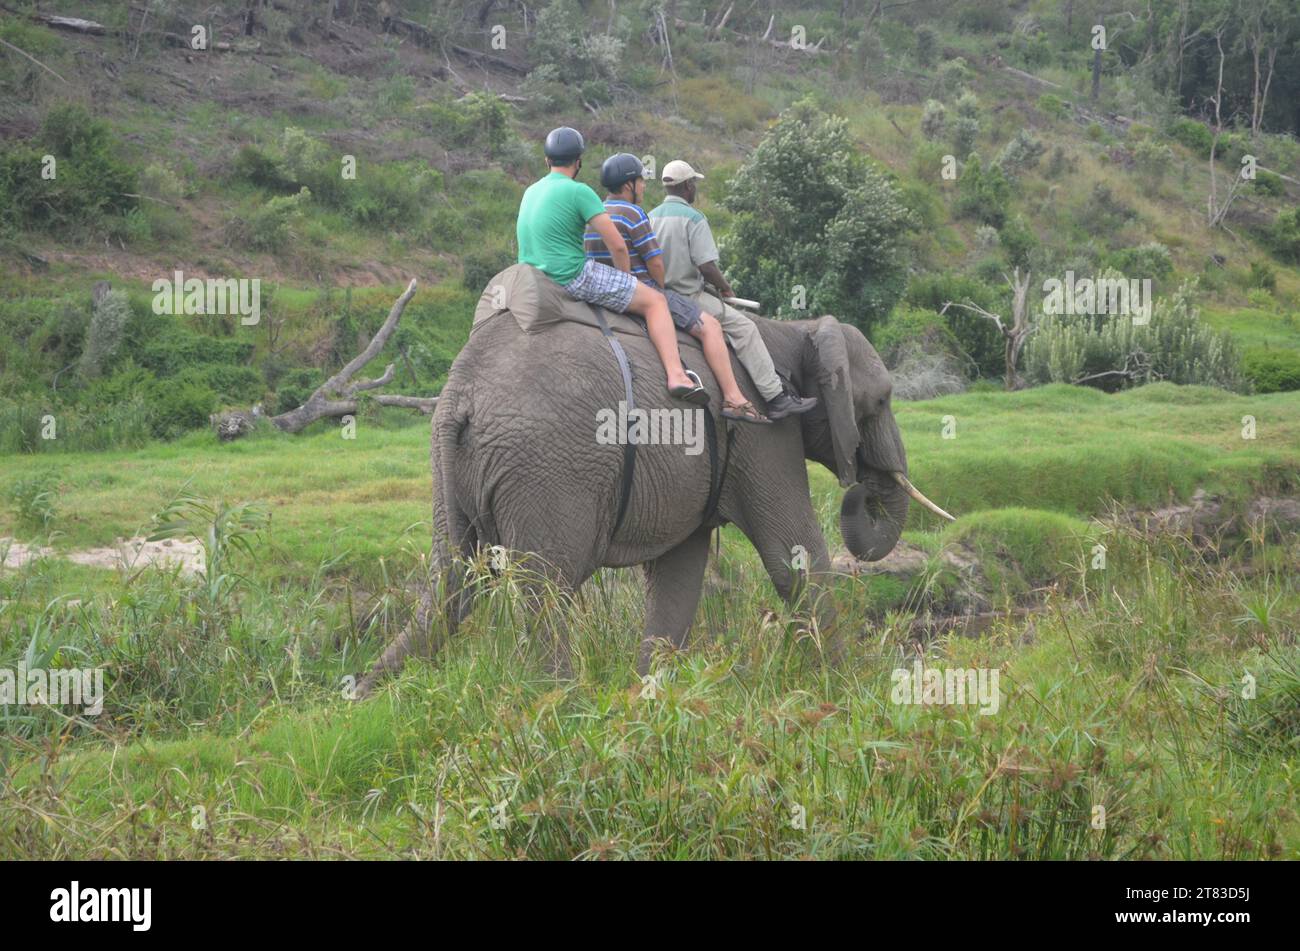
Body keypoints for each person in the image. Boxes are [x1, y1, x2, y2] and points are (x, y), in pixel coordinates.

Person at [517, 128, 706, 404]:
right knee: (654, 301)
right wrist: (627, 284)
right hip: (571, 275)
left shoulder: (531, 191)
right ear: (578, 162)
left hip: (533, 276)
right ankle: (677, 374)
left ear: (547, 161)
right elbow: (617, 245)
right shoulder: (580, 191)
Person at [585, 153, 770, 424]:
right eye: (640, 181)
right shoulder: (634, 213)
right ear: (628, 185)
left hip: (603, 294)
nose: (644, 186)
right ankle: (734, 398)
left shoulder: (596, 215)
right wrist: (660, 291)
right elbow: (656, 262)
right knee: (711, 327)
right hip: (640, 292)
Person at [648, 160, 816, 420]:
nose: (695, 189)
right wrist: (724, 288)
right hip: (689, 296)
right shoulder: (694, 218)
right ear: (687, 186)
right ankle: (775, 397)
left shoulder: (650, 216)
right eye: (694, 184)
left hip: (659, 297)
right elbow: (706, 265)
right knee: (745, 328)